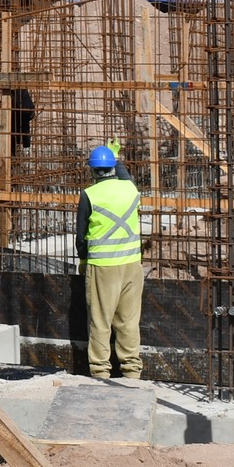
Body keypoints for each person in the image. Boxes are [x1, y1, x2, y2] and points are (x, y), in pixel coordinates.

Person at [76, 142, 142, 380]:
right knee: (128, 322)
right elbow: (126, 176)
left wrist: (83, 260)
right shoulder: (130, 190)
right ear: (113, 167)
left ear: (92, 170)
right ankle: (132, 372)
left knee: (101, 322)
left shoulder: (89, 194)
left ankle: (100, 372)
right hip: (132, 266)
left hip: (103, 268)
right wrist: (116, 156)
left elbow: (81, 235)